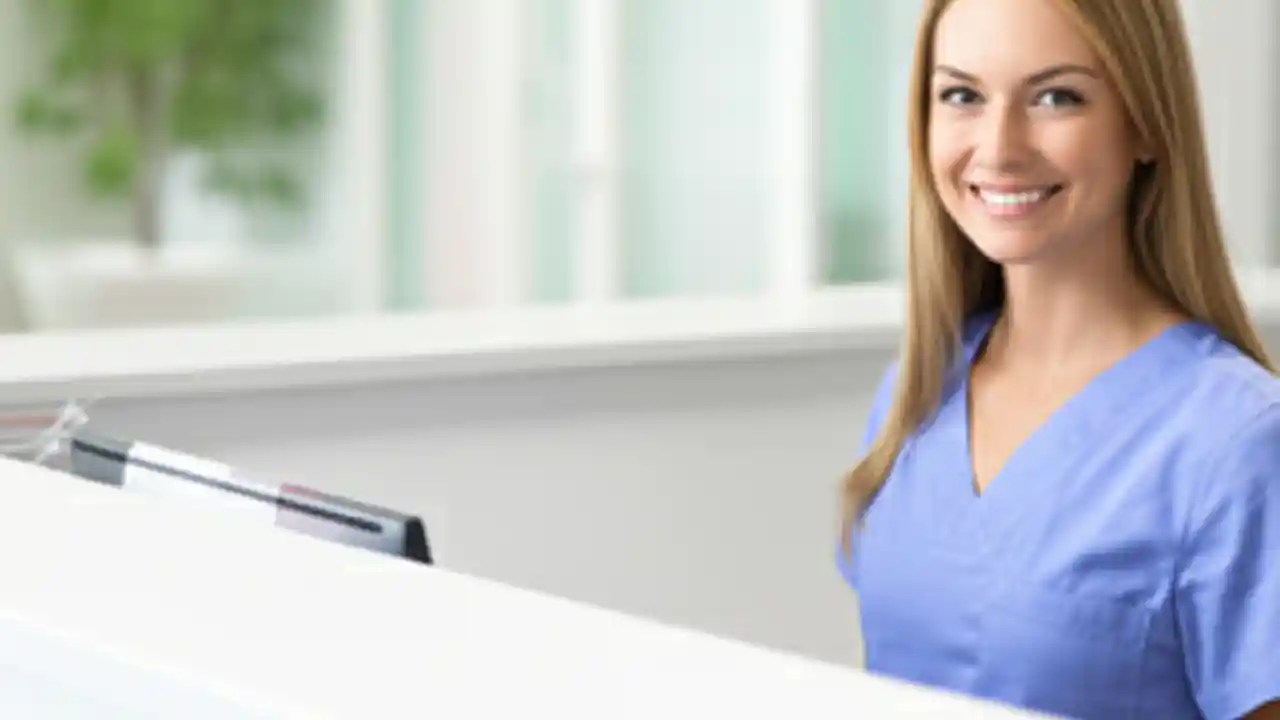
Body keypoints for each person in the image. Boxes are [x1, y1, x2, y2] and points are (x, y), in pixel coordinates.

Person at [835, 0, 1280, 718]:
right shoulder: (915, 396)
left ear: (1144, 124)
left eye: (1055, 97)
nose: (999, 147)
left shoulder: (1237, 444)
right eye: (962, 96)